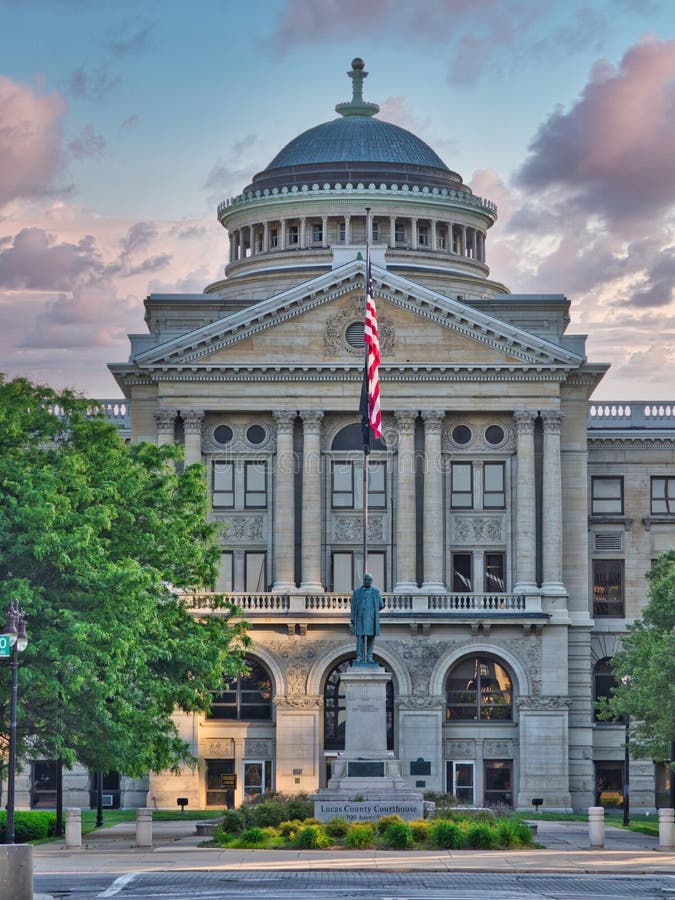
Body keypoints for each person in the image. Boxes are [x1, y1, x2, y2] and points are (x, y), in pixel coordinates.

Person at [350, 572, 384, 664]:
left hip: (371, 619)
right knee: (360, 638)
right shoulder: (357, 592)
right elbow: (353, 606)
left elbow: (381, 605)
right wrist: (352, 618)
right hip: (360, 618)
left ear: (371, 581)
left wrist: (372, 611)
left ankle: (369, 656)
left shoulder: (376, 592)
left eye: (369, 579)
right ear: (363, 580)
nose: (367, 581)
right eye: (365, 579)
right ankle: (359, 656)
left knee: (371, 638)